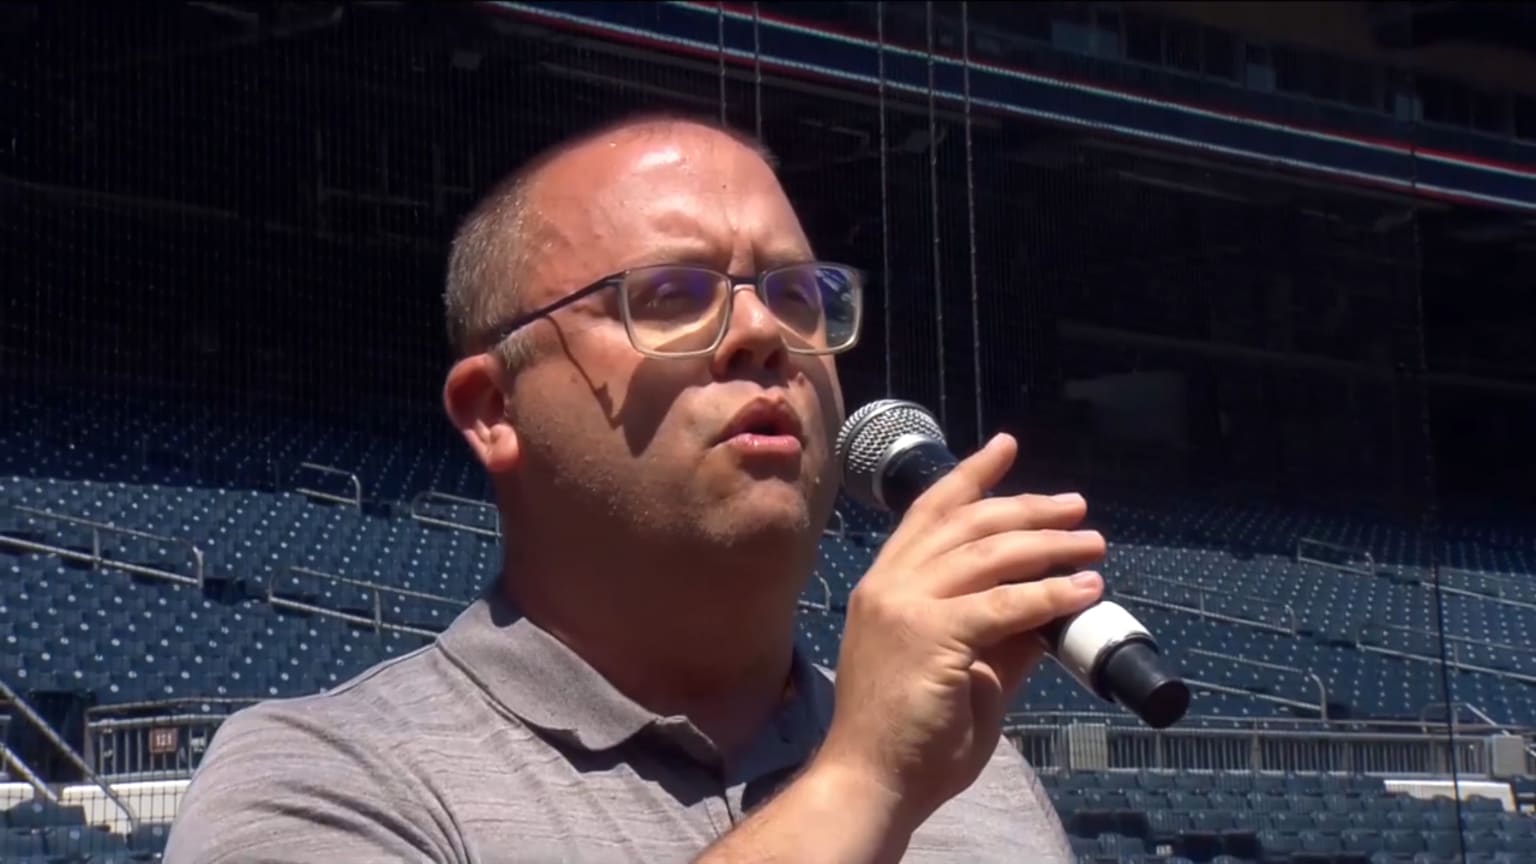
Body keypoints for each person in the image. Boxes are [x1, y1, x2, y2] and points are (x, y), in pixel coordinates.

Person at [165, 113, 1106, 863]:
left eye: (798, 295)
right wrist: (859, 784)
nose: (763, 334)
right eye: (670, 296)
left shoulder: (981, 784)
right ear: (495, 409)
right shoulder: (324, 778)